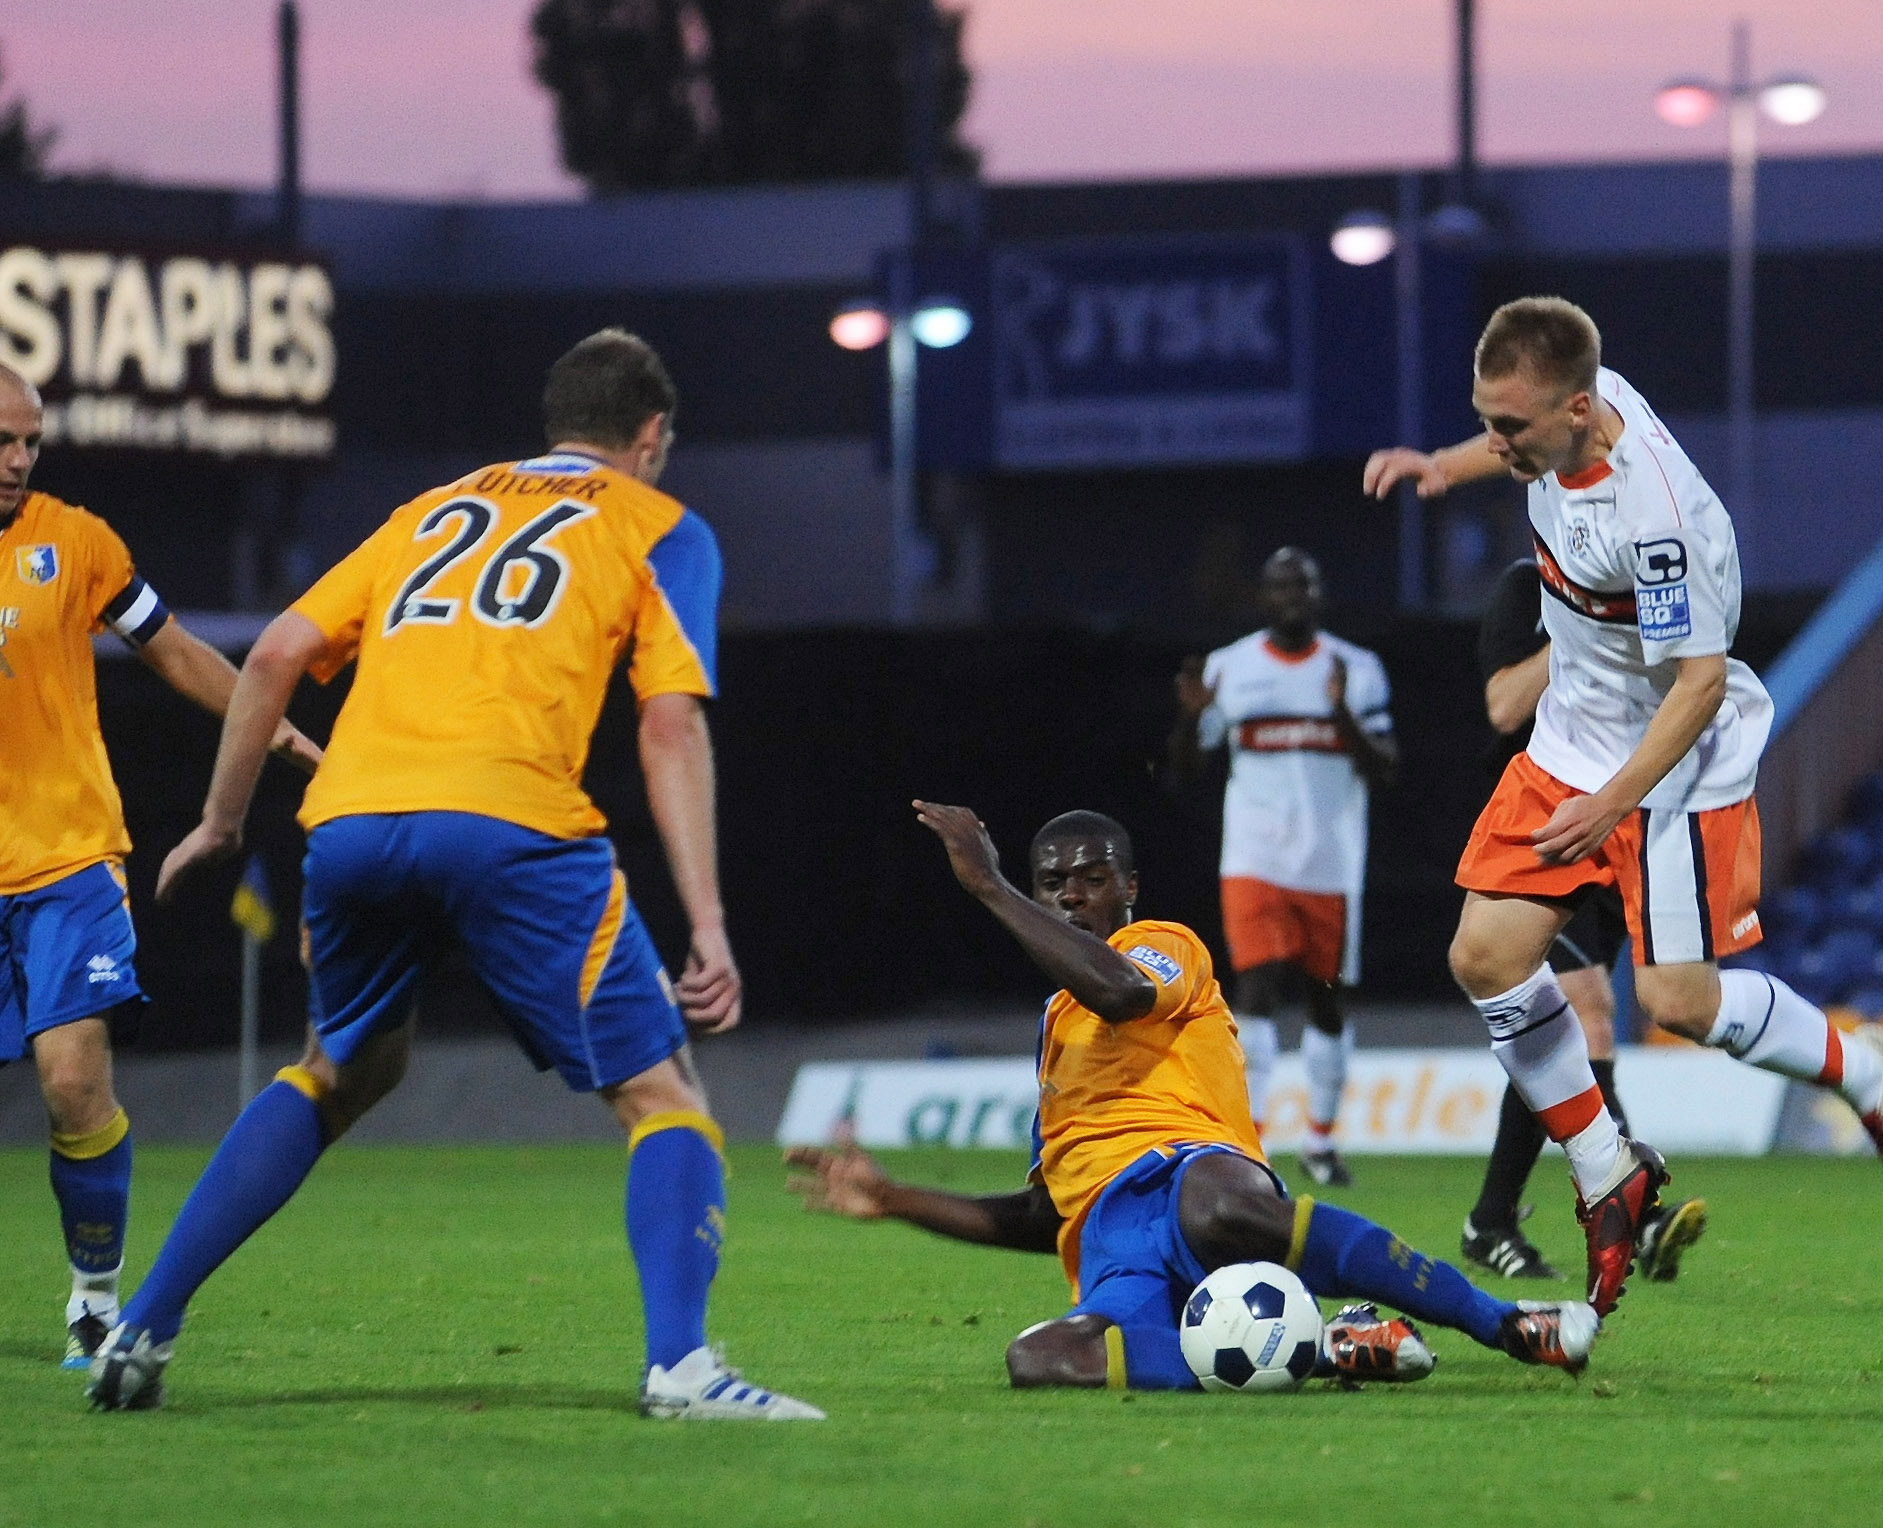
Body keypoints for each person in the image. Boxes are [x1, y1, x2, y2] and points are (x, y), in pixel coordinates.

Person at [87, 329, 821, 1421]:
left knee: (338, 1071)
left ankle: (141, 1326)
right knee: (663, 1096)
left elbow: (280, 652)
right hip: (510, 821)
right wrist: (707, 924)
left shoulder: (429, 509)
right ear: (651, 435)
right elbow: (668, 728)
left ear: (555, 421)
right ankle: (681, 1365)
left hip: (352, 820)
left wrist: (220, 819)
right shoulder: (663, 527)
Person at [1364, 296, 1883, 1319]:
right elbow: (1510, 435)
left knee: (1675, 1003)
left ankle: (1862, 1066)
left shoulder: (1654, 526)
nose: (1497, 442)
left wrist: (1609, 807)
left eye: (1509, 429)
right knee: (1484, 955)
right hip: (1573, 736)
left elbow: (1697, 687)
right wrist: (1442, 466)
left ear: (1577, 412)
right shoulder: (1583, 407)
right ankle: (1603, 1166)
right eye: (1482, 420)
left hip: (1672, 762)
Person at [785, 802, 1600, 1391]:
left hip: (1193, 1180)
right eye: (1050, 885)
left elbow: (1119, 994)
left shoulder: (1163, 949)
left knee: (1212, 1208)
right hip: (1114, 1245)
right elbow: (1046, 1215)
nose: (1070, 895)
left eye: (1090, 878)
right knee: (1039, 1359)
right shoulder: (1052, 1039)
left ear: (1128, 886)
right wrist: (893, 1197)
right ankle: (1328, 1346)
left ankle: (1499, 1321)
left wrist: (991, 889)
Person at [0, 362, 321, 1369]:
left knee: (72, 1076)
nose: (17, 460)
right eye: (0, 442)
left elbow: (175, 649)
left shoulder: (76, 540)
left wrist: (272, 732)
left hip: (68, 858)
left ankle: (96, 1296)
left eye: (29, 442)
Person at [1460, 557, 1706, 1284]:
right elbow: (1503, 706)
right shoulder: (1520, 589)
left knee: (1552, 1029)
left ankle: (1491, 1218)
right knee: (1586, 1011)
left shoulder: (1656, 591)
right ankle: (1631, 1202)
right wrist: (1575, 626)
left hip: (1618, 829)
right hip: (1542, 830)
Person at [1165, 547, 1396, 1188]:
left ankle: (1320, 1143)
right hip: (1254, 856)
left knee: (1327, 1005)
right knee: (1257, 992)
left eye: (1304, 585)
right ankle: (1252, 1144)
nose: (1292, 597)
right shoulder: (1229, 668)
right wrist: (1189, 720)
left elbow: (1386, 769)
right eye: (1279, 587)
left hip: (1331, 862)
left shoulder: (1358, 669)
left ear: (1320, 595)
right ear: (1262, 597)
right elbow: (1184, 770)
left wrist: (1341, 713)